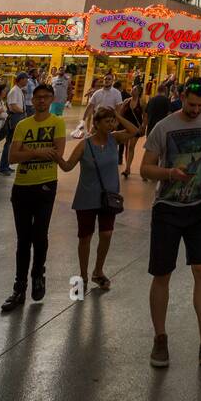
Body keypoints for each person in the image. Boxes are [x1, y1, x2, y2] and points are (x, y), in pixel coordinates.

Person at [141, 77, 201, 368]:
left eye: (200, 105)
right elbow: (145, 169)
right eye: (191, 104)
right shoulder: (163, 127)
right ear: (181, 97)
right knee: (162, 274)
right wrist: (169, 174)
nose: (195, 109)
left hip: (199, 209)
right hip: (167, 209)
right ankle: (160, 338)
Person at [58, 105, 140, 291]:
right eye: (107, 121)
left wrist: (117, 114)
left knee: (106, 234)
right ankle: (83, 274)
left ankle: (98, 271)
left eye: (112, 121)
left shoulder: (115, 139)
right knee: (85, 238)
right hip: (86, 197)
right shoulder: (84, 145)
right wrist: (56, 157)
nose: (111, 124)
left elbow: (135, 131)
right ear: (96, 123)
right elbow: (68, 166)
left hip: (108, 198)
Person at [2, 82, 66, 312]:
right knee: (22, 239)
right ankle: (19, 286)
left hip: (46, 185)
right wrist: (38, 152)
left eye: (45, 97)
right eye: (38, 97)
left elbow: (57, 153)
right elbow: (11, 157)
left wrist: (27, 154)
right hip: (22, 186)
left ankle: (38, 273)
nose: (41, 100)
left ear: (51, 100)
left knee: (40, 234)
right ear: (32, 100)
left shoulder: (57, 123)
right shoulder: (23, 125)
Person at [0, 72, 28, 177]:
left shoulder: (19, 90)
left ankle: (6, 165)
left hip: (18, 117)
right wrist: (23, 112)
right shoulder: (15, 91)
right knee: (9, 143)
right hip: (14, 117)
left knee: (12, 143)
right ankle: (2, 167)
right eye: (25, 79)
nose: (27, 81)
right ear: (21, 79)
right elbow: (13, 106)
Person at [117, 85, 145, 177]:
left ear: (139, 92)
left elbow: (145, 115)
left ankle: (128, 167)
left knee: (131, 147)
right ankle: (127, 167)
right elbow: (120, 113)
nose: (133, 90)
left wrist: (144, 126)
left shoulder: (141, 102)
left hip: (136, 128)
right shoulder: (126, 101)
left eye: (135, 89)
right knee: (126, 146)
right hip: (126, 127)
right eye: (132, 88)